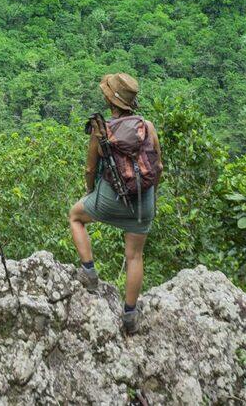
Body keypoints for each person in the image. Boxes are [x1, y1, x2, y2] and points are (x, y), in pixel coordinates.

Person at [68, 72, 162, 334]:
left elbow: (90, 169)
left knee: (75, 216)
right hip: (144, 202)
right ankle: (130, 315)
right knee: (135, 256)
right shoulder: (148, 126)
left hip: (110, 198)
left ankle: (89, 272)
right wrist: (151, 196)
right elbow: (158, 166)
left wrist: (91, 194)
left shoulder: (102, 131)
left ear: (110, 101)